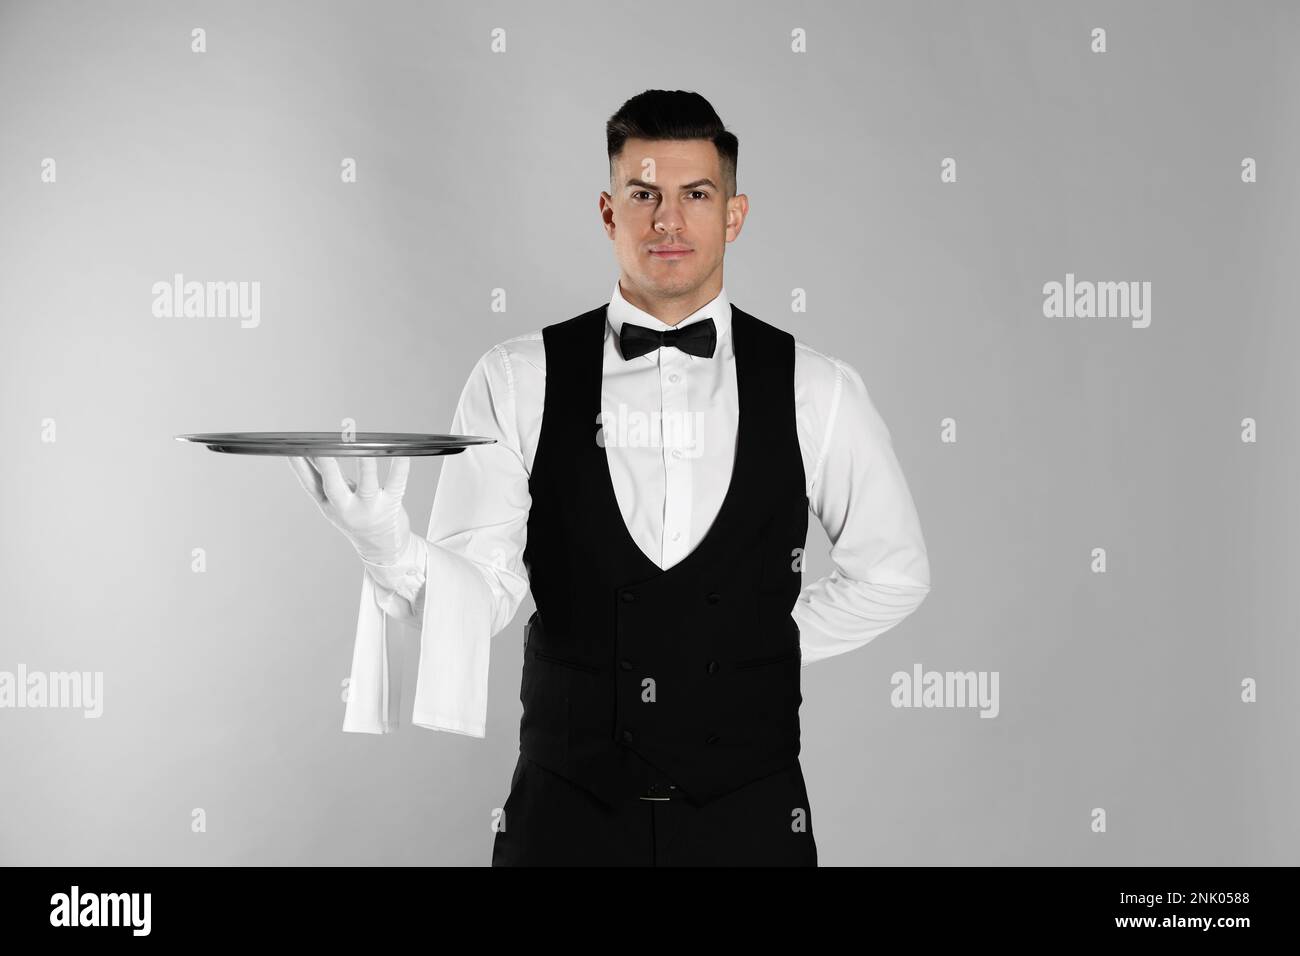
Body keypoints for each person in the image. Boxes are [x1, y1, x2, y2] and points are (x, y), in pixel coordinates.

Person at [288, 89, 931, 866]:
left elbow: (894, 573)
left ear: (734, 214)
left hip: (752, 823)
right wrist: (388, 548)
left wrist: (755, 643)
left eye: (696, 195)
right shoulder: (517, 378)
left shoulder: (815, 387)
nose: (668, 220)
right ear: (607, 210)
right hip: (564, 822)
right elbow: (478, 598)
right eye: (643, 195)